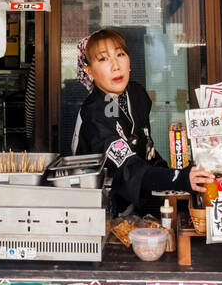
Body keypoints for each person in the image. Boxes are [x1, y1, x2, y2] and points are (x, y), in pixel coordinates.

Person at [71, 28, 214, 214]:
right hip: (98, 210)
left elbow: (146, 149)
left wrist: (174, 174)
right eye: (103, 59)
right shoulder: (94, 114)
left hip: (136, 205)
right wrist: (178, 178)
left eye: (120, 54)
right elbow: (127, 168)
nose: (116, 65)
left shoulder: (136, 95)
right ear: (88, 70)